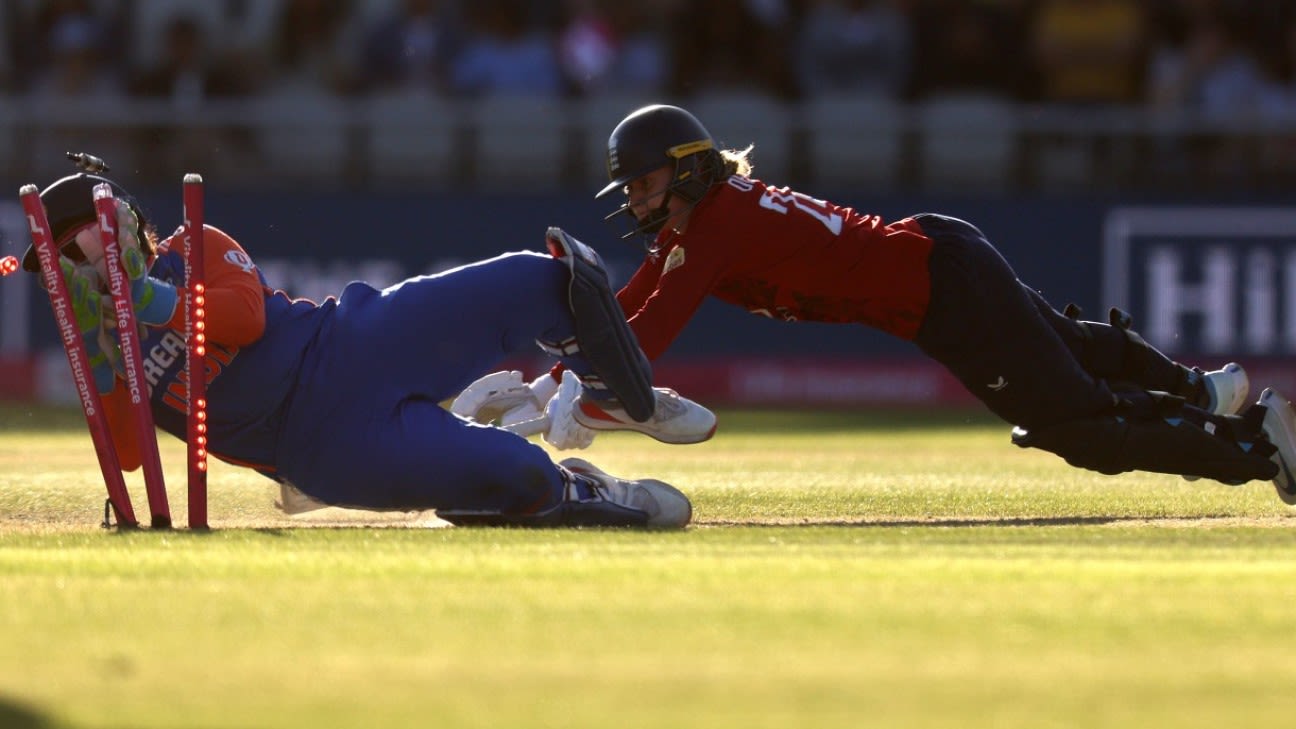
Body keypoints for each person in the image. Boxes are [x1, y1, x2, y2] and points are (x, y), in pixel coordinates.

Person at [456, 103, 1296, 504]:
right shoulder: (701, 220)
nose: (637, 201)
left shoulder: (712, 225)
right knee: (1068, 353)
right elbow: (624, 314)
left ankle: (1260, 445)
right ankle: (1206, 390)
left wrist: (574, 389)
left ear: (684, 168)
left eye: (644, 183)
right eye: (631, 189)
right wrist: (554, 378)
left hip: (944, 291)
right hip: (940, 263)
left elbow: (646, 340)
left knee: (1081, 427)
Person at [19, 157, 691, 528]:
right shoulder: (103, 343)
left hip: (351, 343)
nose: (66, 274)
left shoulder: (193, 245)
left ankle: (608, 394)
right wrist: (105, 363)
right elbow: (128, 456)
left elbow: (246, 320)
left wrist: (154, 303)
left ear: (119, 222)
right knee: (523, 479)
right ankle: (578, 488)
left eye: (72, 248)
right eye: (54, 265)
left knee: (539, 278)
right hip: (319, 449)